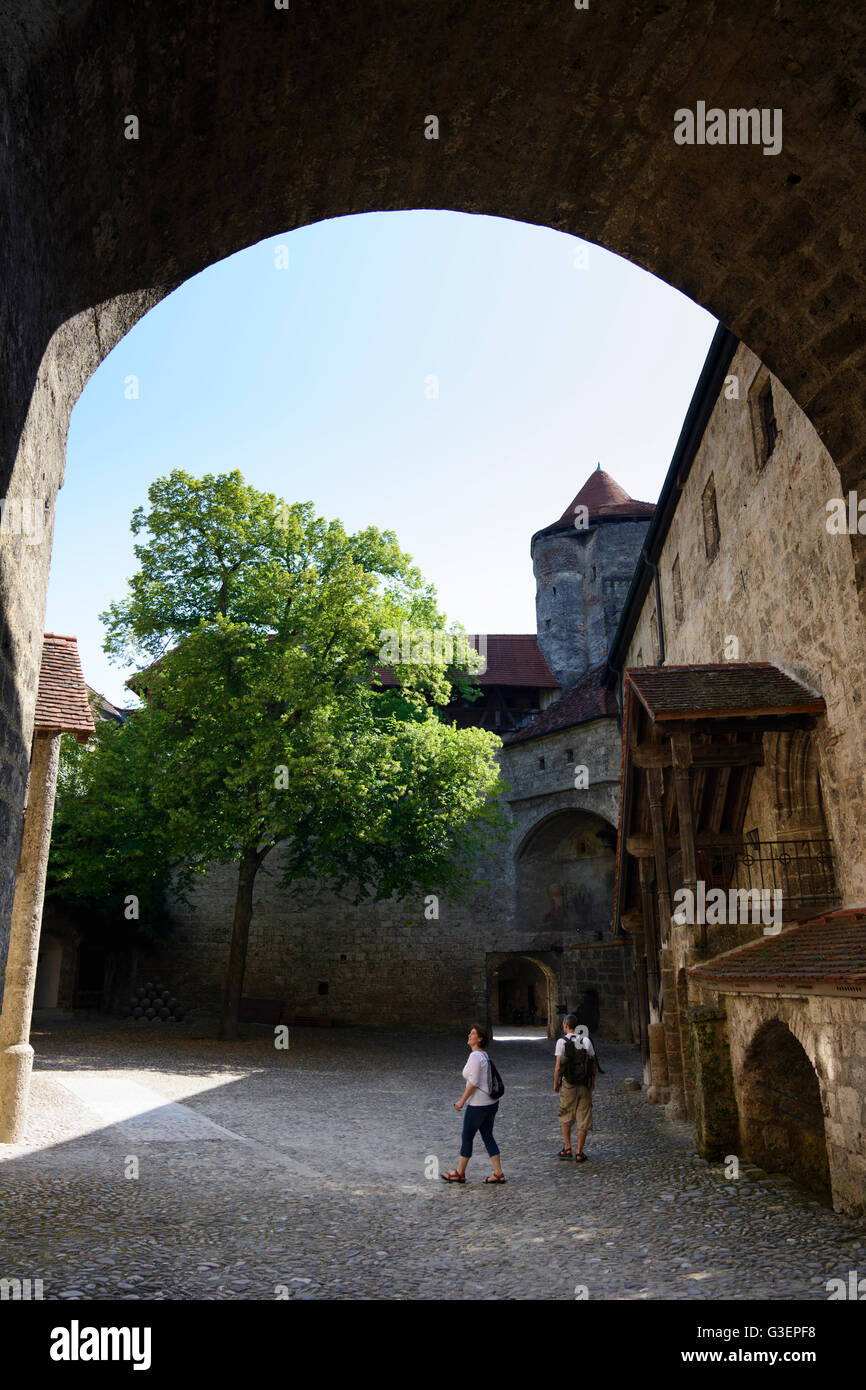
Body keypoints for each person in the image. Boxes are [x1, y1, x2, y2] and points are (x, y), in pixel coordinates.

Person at [441, 1024, 506, 1184]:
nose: (469, 1036)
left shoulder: (476, 1056)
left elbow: (474, 1082)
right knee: (487, 1136)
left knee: (467, 1136)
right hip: (491, 1103)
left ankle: (460, 1173)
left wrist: (462, 1101)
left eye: (473, 1034)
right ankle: (498, 1173)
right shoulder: (484, 1055)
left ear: (480, 1038)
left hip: (478, 1105)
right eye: (470, 1033)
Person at [553, 1013, 596, 1162]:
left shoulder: (561, 1042)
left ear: (565, 1025)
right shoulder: (586, 1041)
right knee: (583, 1116)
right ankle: (579, 1152)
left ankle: (567, 1147)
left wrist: (556, 1083)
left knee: (566, 1114)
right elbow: (593, 1063)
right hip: (584, 1083)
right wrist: (593, 1082)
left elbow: (558, 1067)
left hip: (569, 1083)